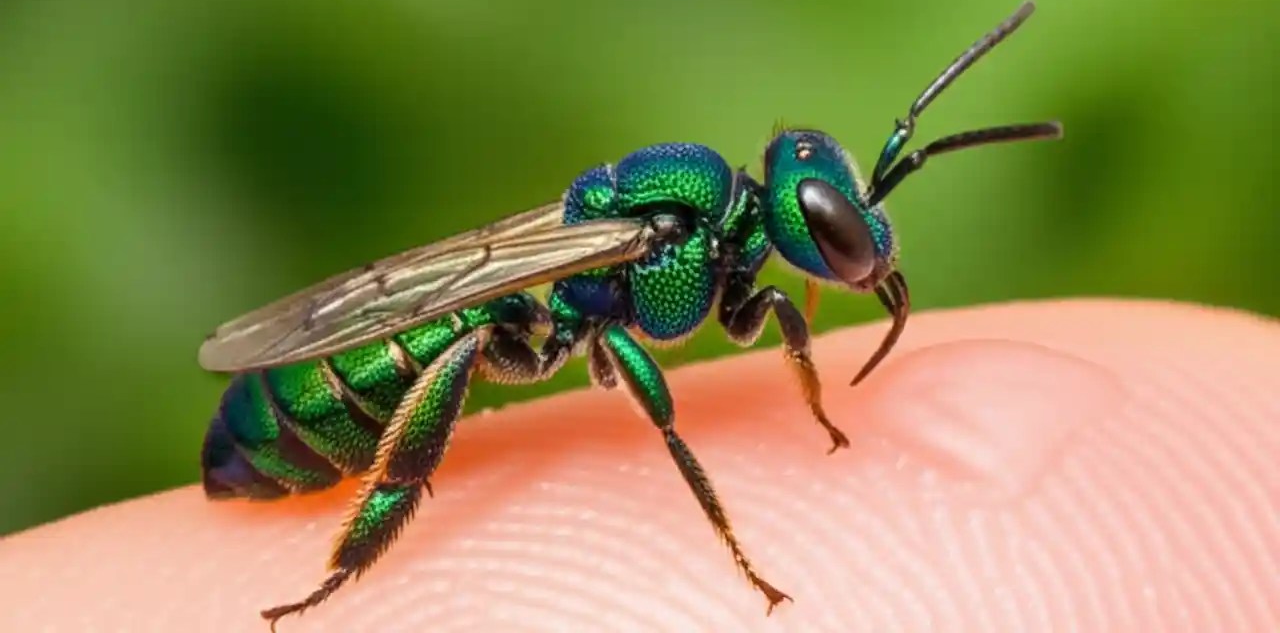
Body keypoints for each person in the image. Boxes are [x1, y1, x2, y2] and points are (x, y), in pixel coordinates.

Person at [2, 300, 1276, 631]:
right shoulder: (649, 253)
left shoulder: (711, 262)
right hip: (296, 415)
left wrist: (815, 404)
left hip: (398, 338)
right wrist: (734, 552)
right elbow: (663, 397)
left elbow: (767, 314)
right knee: (476, 357)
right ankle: (357, 561)